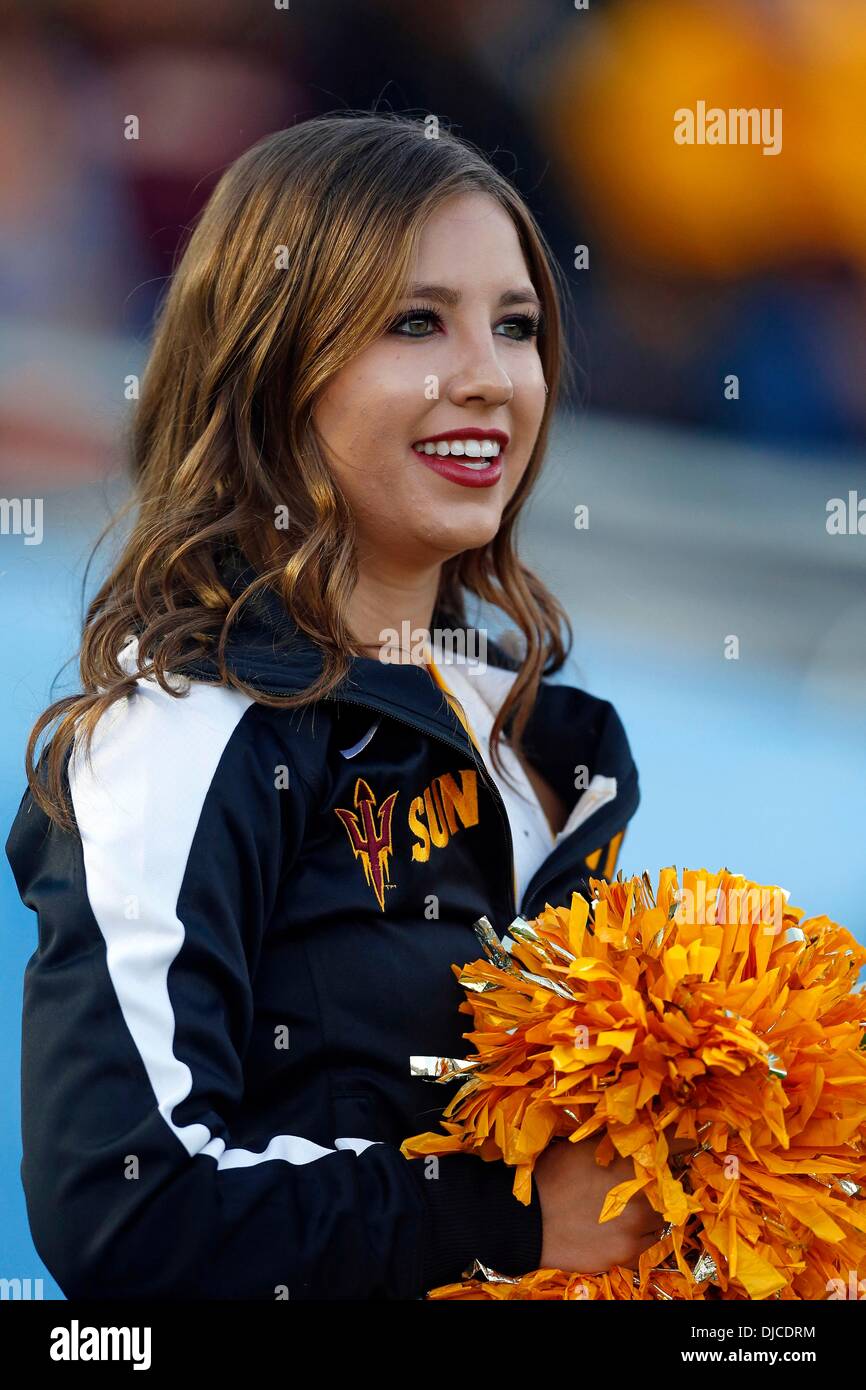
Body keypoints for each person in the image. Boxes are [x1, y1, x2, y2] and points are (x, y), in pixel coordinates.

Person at [5, 113, 662, 1301]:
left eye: (515, 326)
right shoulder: (185, 733)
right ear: (269, 361)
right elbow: (125, 1210)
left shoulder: (544, 750)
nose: (487, 376)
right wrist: (505, 1218)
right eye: (415, 322)